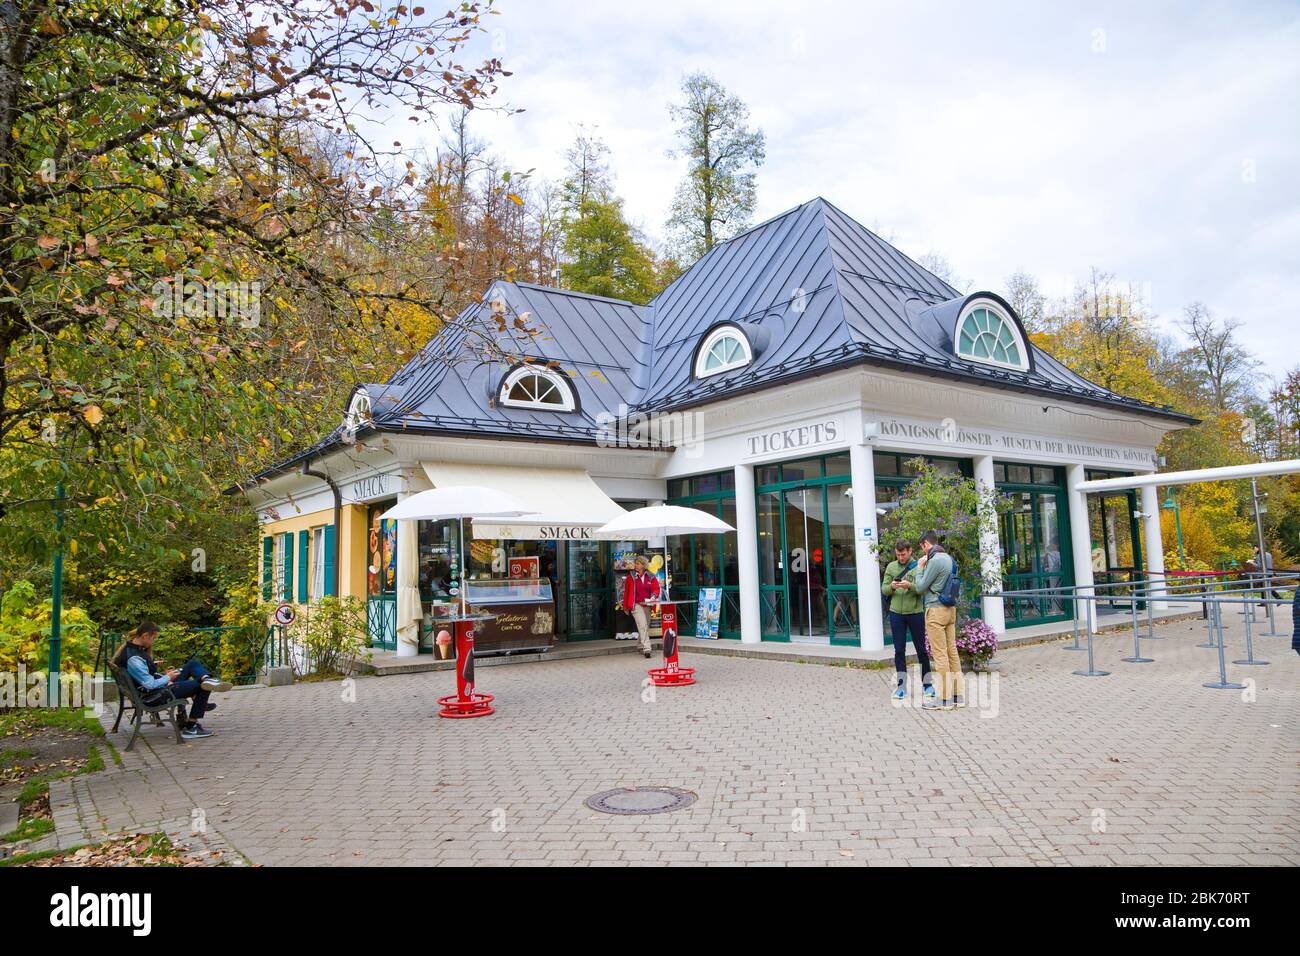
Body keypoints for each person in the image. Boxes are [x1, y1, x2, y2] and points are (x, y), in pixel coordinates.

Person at [111, 622, 233, 739]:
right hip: (156, 695)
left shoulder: (130, 649)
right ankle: (191, 727)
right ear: (145, 636)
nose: (154, 641)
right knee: (202, 686)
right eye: (154, 638)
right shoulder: (135, 659)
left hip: (157, 690)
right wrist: (168, 678)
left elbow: (143, 676)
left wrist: (162, 675)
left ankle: (207, 679)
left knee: (192, 664)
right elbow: (149, 684)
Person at [910, 531, 963, 711]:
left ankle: (945, 699)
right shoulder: (949, 558)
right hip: (950, 609)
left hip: (935, 610)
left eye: (922, 548)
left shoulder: (934, 560)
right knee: (952, 652)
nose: (923, 552)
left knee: (940, 654)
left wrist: (919, 567)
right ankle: (958, 696)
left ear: (926, 544)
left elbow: (920, 587)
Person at [881, 539, 933, 702]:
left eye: (903, 554)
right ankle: (901, 687)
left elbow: (922, 589)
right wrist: (893, 587)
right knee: (899, 650)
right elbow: (884, 588)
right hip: (896, 613)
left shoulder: (920, 564)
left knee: (921, 650)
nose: (901, 557)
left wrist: (909, 585)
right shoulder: (891, 567)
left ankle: (927, 685)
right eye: (898, 555)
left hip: (915, 613)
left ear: (910, 551)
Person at [622, 555, 661, 658]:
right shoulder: (631, 577)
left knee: (645, 626)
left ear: (643, 565)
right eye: (635, 563)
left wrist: (653, 596)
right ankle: (647, 648)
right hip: (636, 605)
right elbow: (627, 592)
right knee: (642, 625)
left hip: (647, 604)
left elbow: (656, 589)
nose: (635, 565)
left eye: (638, 564)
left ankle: (639, 645)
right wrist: (625, 607)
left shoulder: (651, 576)